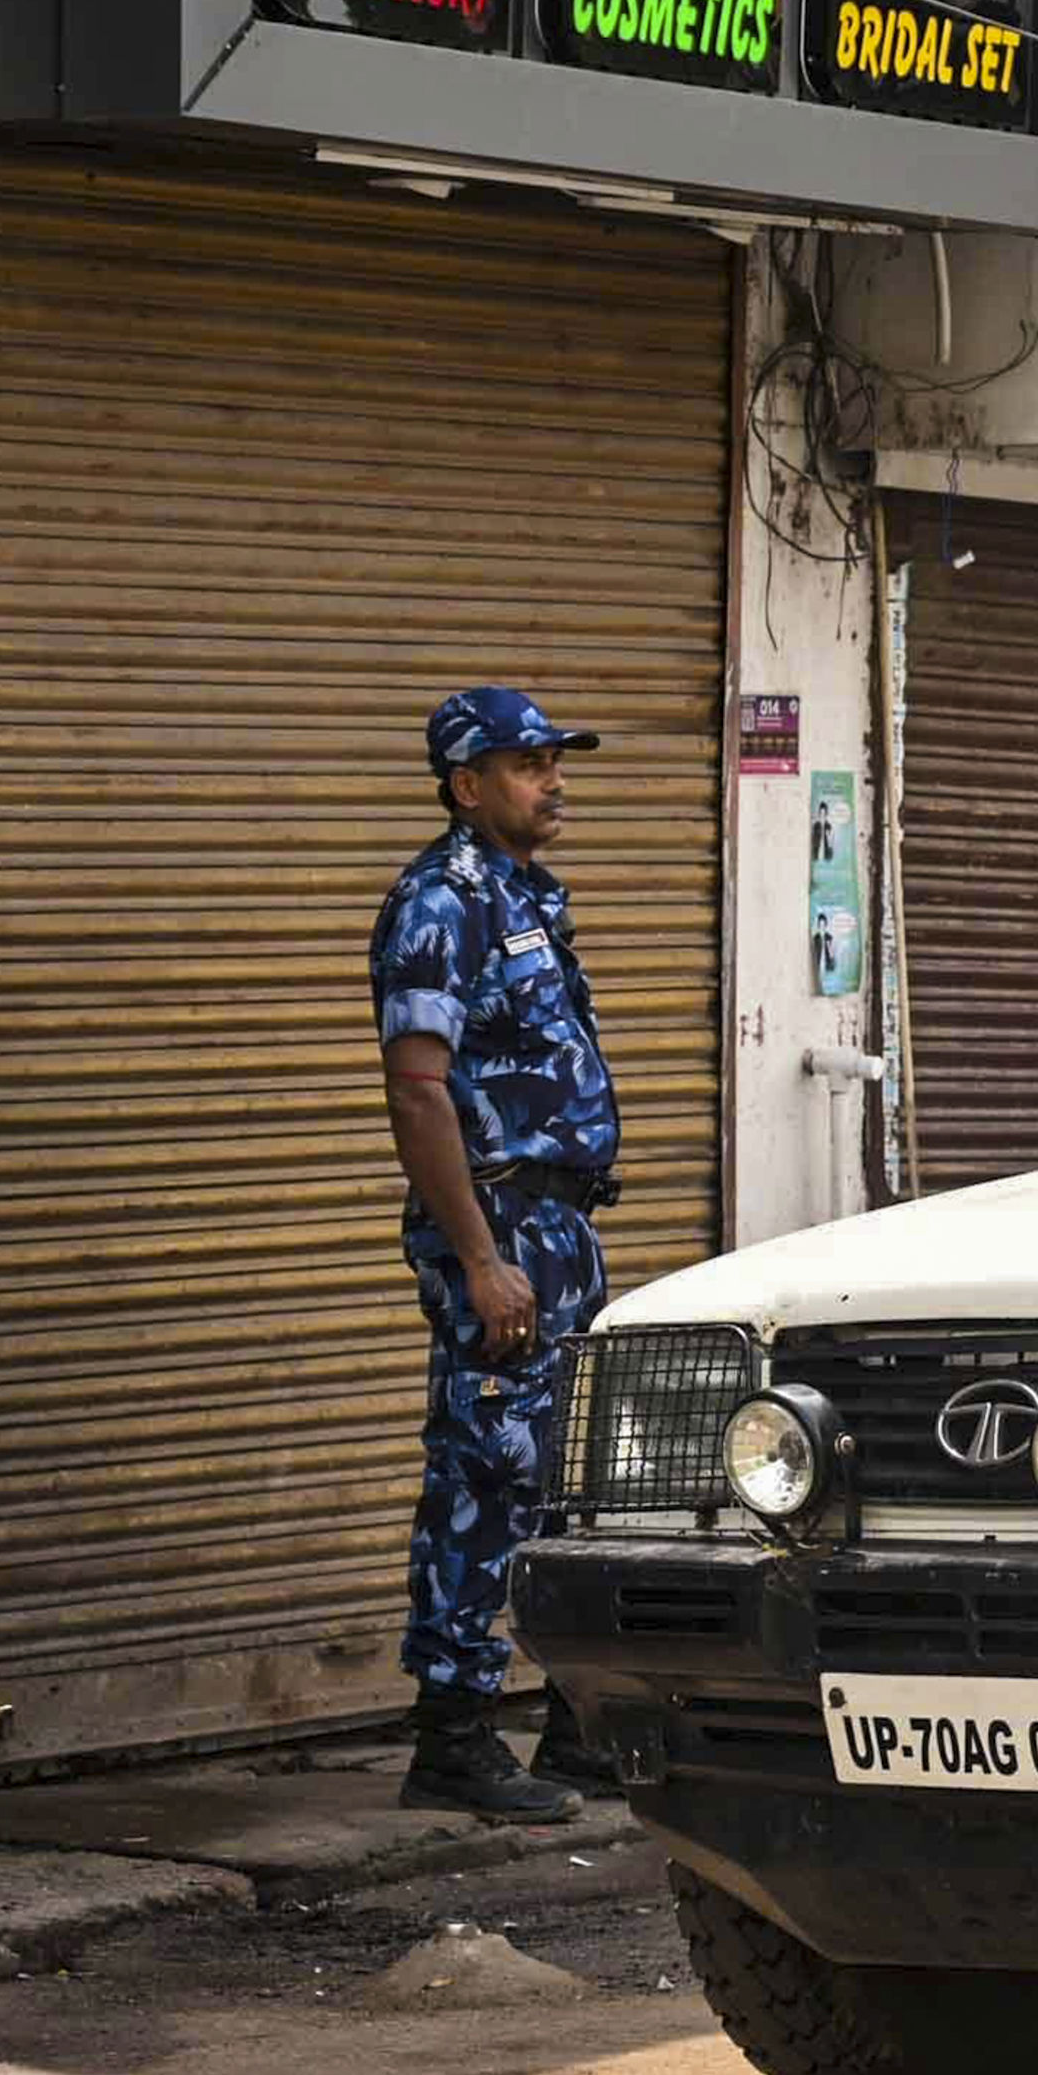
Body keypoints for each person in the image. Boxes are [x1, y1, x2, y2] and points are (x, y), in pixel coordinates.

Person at [372, 690, 625, 1820]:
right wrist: (479, 1257)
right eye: (527, 766)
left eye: (552, 762)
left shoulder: (525, 896)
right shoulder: (439, 904)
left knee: (572, 1473)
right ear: (466, 785)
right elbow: (419, 1092)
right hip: (499, 1225)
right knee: (485, 1469)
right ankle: (454, 1737)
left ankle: (577, 1729)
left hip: (559, 1226)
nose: (552, 781)